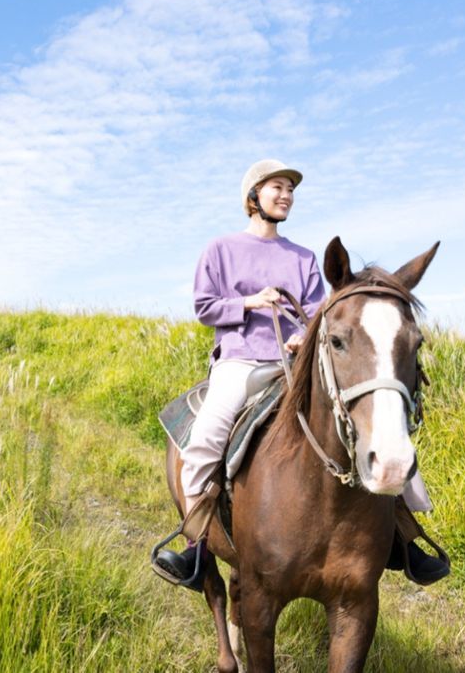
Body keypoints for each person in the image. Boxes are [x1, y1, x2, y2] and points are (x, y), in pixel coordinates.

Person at [153, 159, 449, 588]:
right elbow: (204, 308)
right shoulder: (221, 248)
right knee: (207, 437)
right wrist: (251, 302)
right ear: (253, 197)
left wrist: (304, 336)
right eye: (277, 187)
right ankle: (195, 542)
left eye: (290, 190)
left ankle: (405, 535)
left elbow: (318, 313)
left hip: (294, 361)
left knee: (376, 424)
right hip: (241, 360)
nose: (286, 195)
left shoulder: (303, 256)